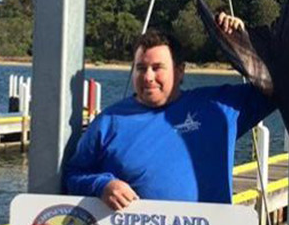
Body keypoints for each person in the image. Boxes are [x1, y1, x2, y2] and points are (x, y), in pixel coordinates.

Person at [63, 14, 275, 210]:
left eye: (157, 68)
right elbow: (73, 175)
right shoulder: (109, 121)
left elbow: (277, 89)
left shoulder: (219, 105)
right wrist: (103, 185)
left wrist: (243, 44)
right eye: (140, 68)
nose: (147, 77)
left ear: (179, 70)